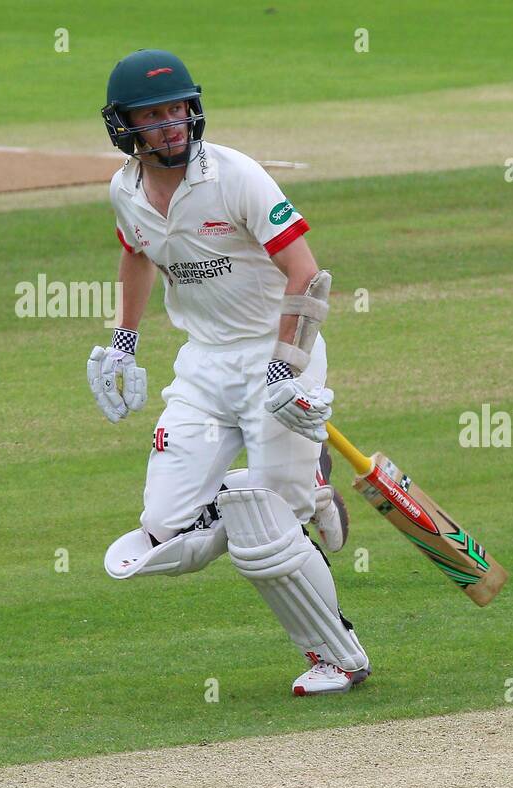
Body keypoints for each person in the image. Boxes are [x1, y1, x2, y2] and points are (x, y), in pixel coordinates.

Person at [89, 49, 367, 695]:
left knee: (263, 536)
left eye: (178, 109)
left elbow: (307, 276)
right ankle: (308, 484)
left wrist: (286, 369)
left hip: (276, 355)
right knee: (160, 542)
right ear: (124, 126)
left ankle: (339, 658)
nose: (171, 125)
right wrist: (124, 342)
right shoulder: (124, 188)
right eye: (153, 116)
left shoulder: (237, 176)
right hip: (202, 365)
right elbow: (135, 255)